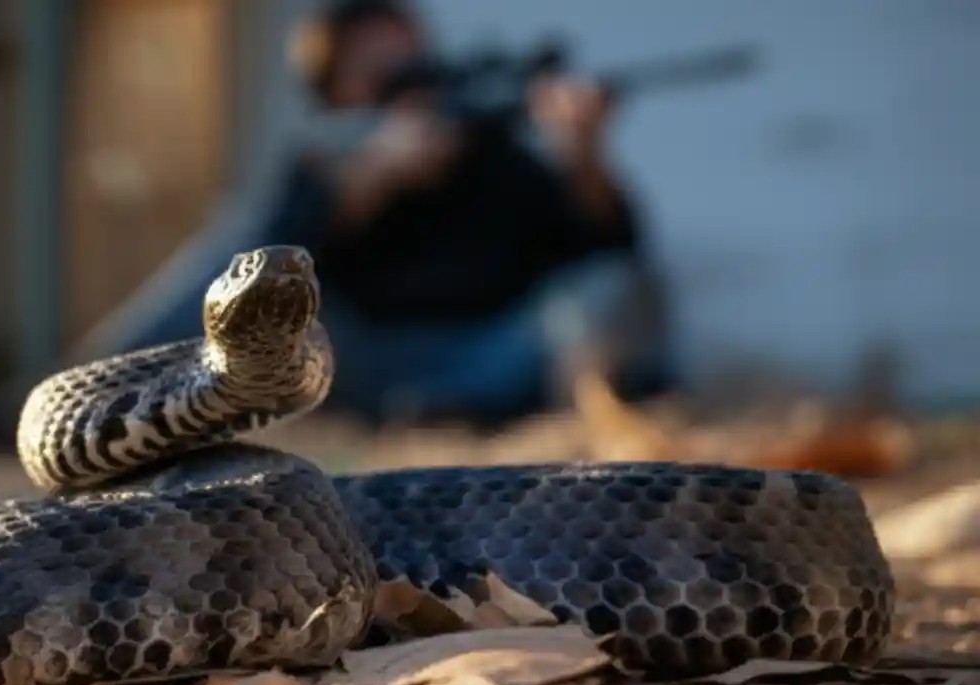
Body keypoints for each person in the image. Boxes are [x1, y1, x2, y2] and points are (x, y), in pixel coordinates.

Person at [80, 0, 673, 425]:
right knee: (229, 258)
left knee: (607, 289)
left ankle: (584, 424)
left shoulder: (492, 152)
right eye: (382, 76)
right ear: (335, 96)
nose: (413, 88)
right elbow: (265, 269)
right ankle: (94, 387)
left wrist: (583, 155)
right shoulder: (320, 167)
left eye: (418, 66)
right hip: (343, 370)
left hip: (492, 364)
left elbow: (613, 254)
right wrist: (372, 178)